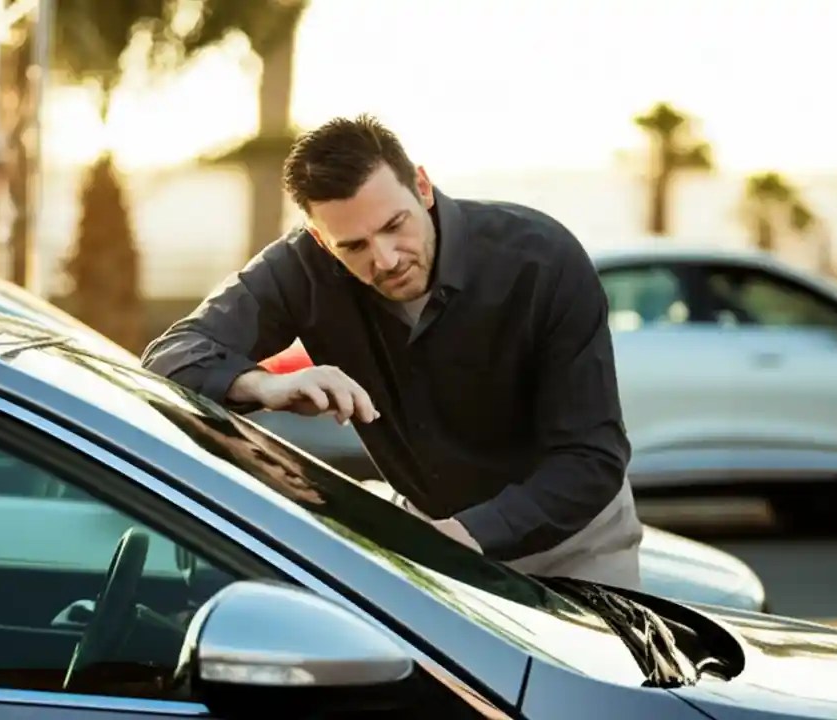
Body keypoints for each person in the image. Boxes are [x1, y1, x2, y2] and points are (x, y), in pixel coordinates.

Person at [140, 114, 643, 589]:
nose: (385, 259)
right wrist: (264, 384)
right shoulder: (301, 266)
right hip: (428, 544)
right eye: (353, 246)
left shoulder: (543, 258)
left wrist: (462, 538)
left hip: (574, 548)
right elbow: (171, 355)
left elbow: (591, 459)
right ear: (320, 236)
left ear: (421, 187)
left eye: (394, 225)